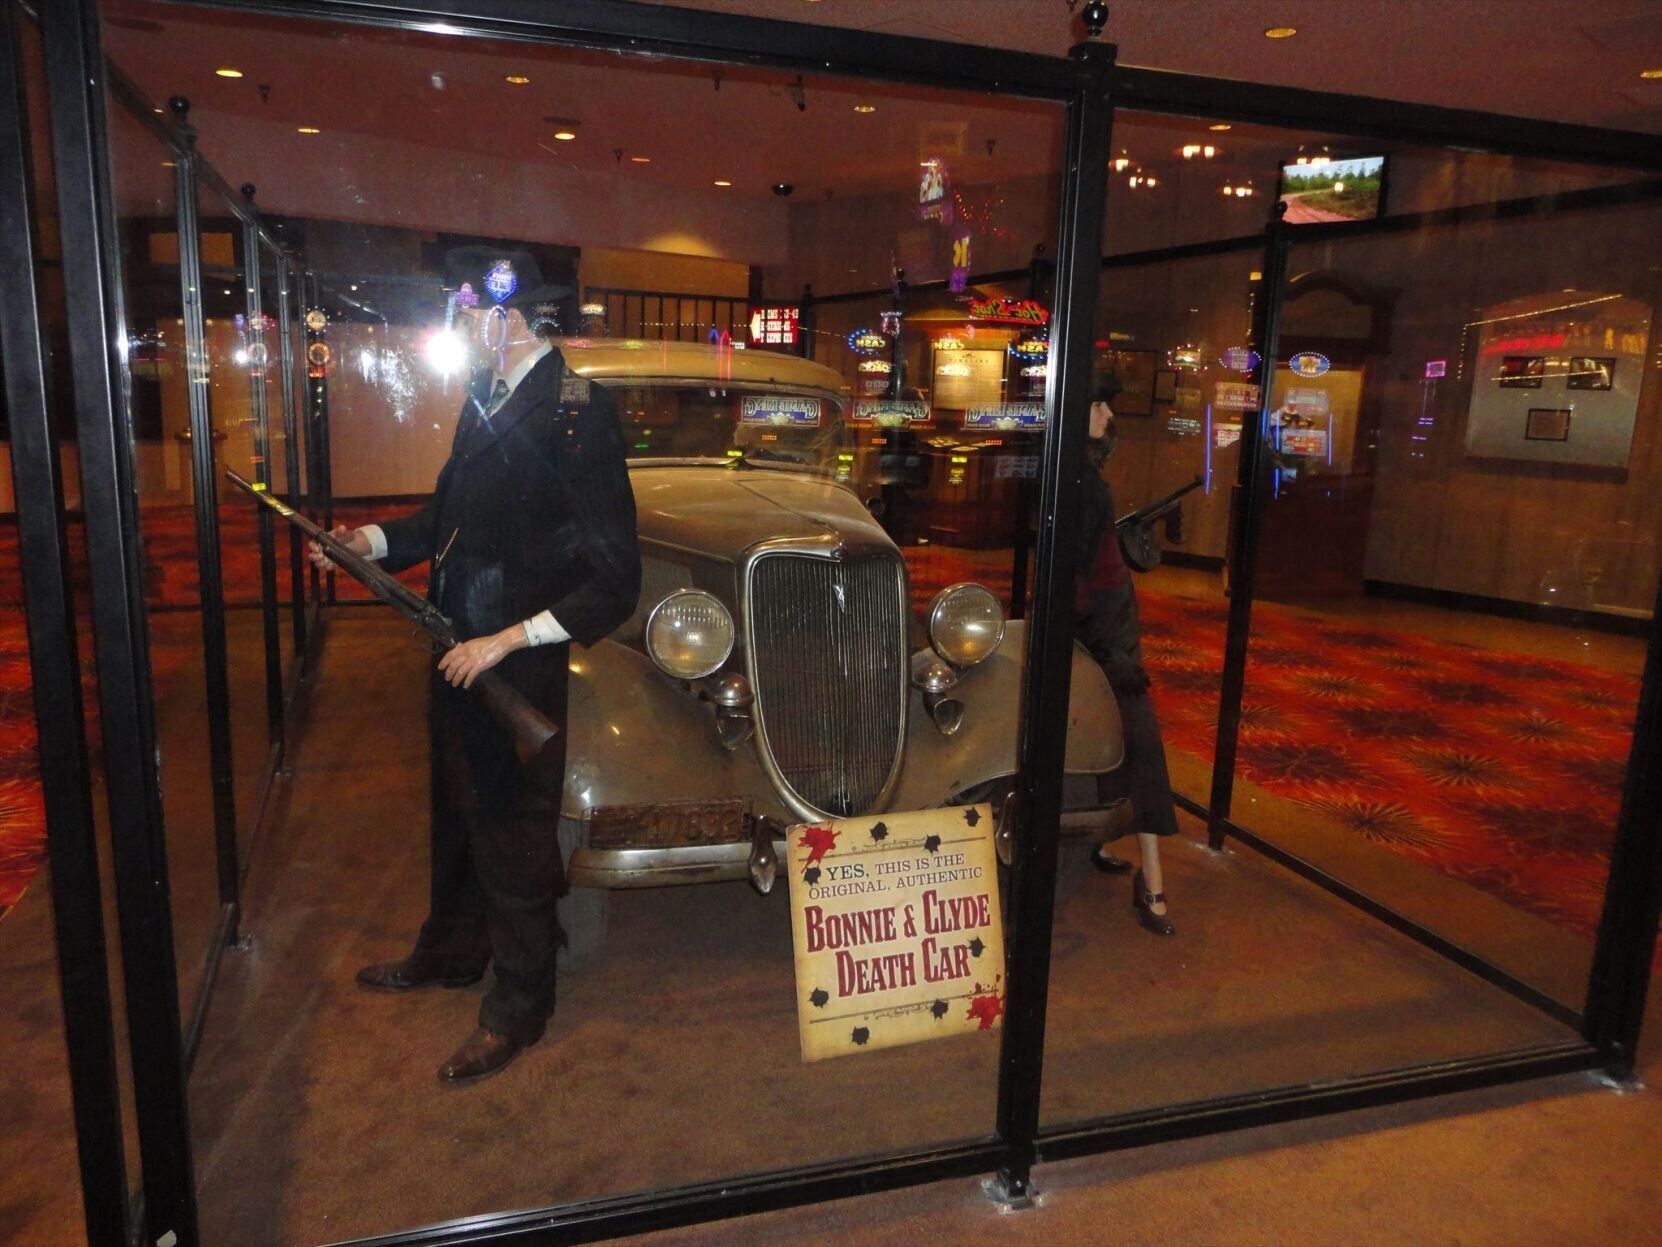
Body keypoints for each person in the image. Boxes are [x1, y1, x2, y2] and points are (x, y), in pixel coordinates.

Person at [308, 248, 641, 1082]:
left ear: (510, 320)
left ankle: (521, 1004)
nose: (458, 328)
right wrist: (372, 542)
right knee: (457, 810)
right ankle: (453, 949)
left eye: (467, 315)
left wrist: (508, 640)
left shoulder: (579, 410)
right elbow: (448, 517)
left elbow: (615, 578)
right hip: (456, 645)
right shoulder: (484, 398)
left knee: (513, 832)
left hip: (513, 662)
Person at [1075, 379, 1179, 936]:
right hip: (1102, 635)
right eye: (1098, 403)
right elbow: (1075, 578)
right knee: (1140, 746)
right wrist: (1107, 651)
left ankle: (1096, 843)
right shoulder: (1085, 487)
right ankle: (1154, 881)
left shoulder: (1083, 481)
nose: (1108, 413)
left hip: (1104, 630)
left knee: (1101, 740)